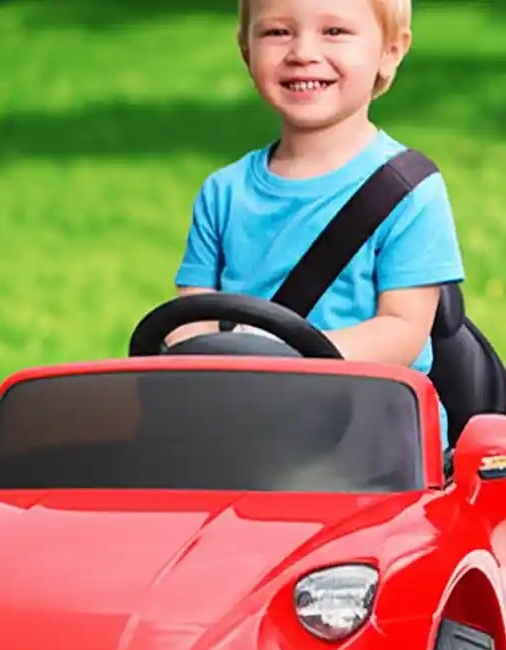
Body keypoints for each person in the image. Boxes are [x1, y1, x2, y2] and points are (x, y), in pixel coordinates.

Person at [168, 0, 465, 446]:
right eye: (277, 33)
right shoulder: (223, 192)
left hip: (369, 436)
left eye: (335, 32)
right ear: (246, 49)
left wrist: (286, 359)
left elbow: (401, 330)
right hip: (240, 424)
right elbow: (190, 317)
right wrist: (213, 364)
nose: (302, 52)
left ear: (390, 50)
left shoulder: (409, 192)